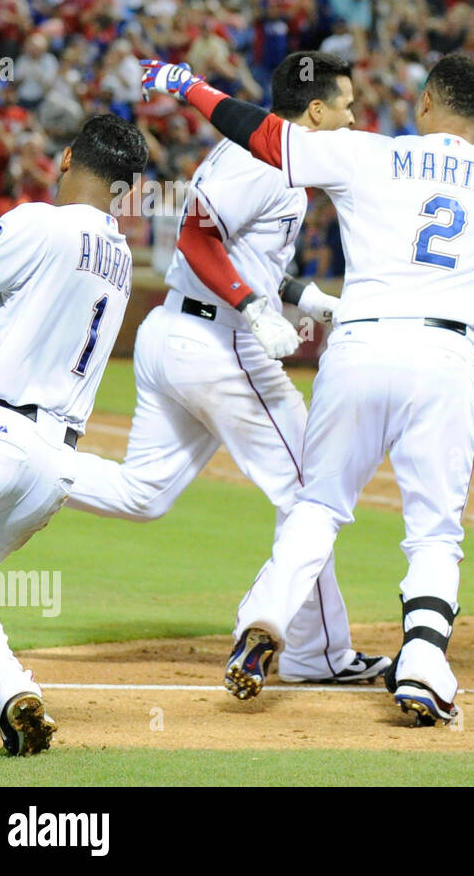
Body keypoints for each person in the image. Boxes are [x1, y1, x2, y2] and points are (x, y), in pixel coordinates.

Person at [139, 52, 474, 725]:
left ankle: (264, 619)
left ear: (423, 105)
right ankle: (421, 662)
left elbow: (263, 134)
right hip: (443, 355)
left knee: (319, 504)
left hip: (359, 344)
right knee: (434, 531)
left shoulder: (371, 153)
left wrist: (189, 87)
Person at [66, 52, 391, 686]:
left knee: (142, 494)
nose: (354, 116)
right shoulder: (263, 160)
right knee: (311, 491)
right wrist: (251, 307)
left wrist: (305, 300)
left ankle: (19, 459)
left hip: (176, 335)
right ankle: (314, 653)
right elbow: (195, 238)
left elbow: (248, 253)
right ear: (316, 110)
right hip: (221, 346)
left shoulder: (273, 157)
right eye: (347, 105)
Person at [0, 113, 148, 755]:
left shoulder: (39, 221)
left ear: (66, 157)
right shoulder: (119, 261)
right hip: (50, 468)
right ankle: (13, 695)